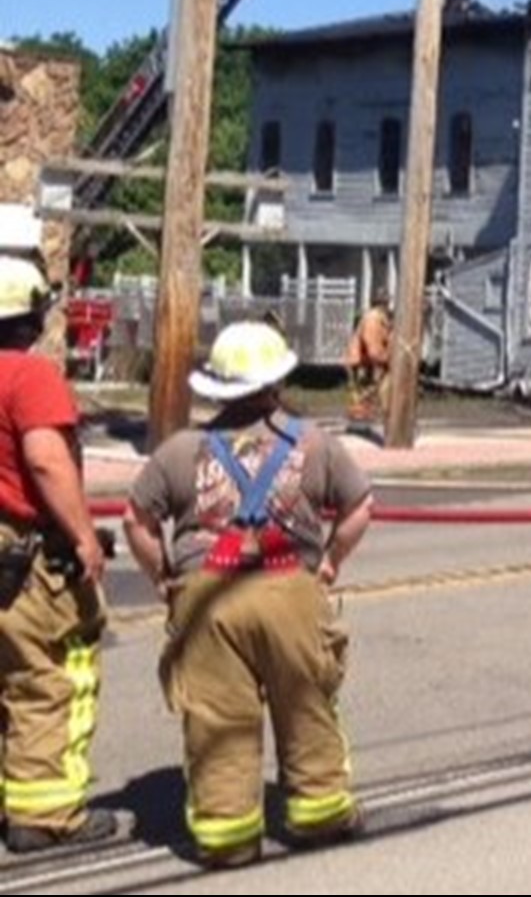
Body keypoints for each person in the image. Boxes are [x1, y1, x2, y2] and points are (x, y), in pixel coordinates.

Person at [123, 321, 375, 868]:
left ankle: (227, 834)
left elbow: (136, 519)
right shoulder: (315, 444)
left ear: (217, 388)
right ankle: (320, 813)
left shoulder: (179, 451)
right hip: (292, 590)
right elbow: (360, 506)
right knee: (307, 702)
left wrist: (164, 577)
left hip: (206, 600)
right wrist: (329, 561)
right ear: (277, 385)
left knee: (218, 716)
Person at [0, 256, 118, 852]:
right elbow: (46, 460)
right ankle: (44, 815)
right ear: (32, 318)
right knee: (47, 677)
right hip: (20, 557)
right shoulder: (30, 377)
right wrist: (83, 536)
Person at [342, 291, 392, 426]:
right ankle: (360, 424)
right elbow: (373, 348)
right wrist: (389, 360)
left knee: (370, 395)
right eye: (386, 302)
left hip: (367, 362)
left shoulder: (380, 318)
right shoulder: (373, 318)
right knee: (364, 396)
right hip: (361, 363)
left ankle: (364, 420)